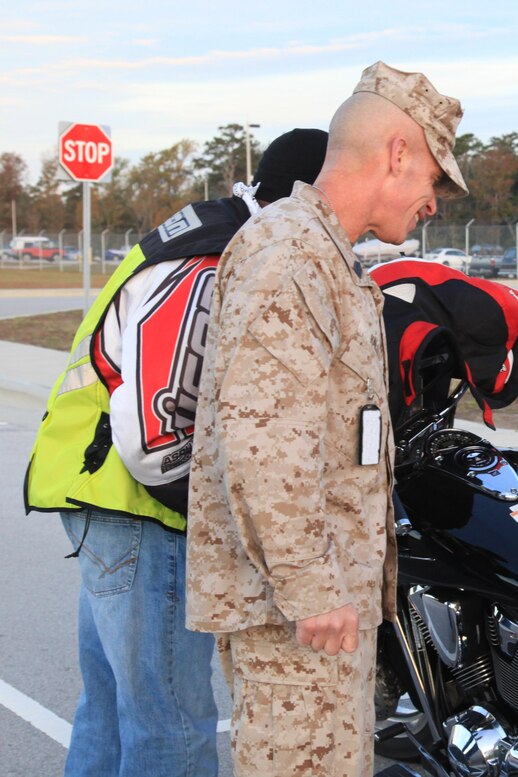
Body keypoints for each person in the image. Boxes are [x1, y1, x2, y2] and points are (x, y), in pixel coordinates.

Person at [184, 61, 467, 777]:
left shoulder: (324, 253)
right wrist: (313, 586)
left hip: (318, 606)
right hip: (296, 614)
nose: (435, 200)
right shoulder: (290, 251)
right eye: (435, 177)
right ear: (397, 152)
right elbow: (264, 440)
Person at [23, 128, 329, 777]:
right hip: (141, 515)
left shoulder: (217, 236)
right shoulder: (217, 257)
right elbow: (155, 436)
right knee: (170, 728)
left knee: (110, 714)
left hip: (103, 498)